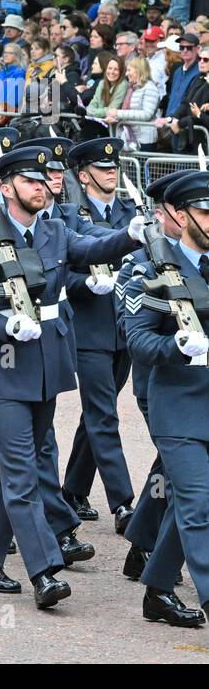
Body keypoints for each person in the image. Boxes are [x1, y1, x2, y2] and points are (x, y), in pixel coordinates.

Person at [0, 145, 142, 606]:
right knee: (23, 473)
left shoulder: (56, 230)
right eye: (31, 180)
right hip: (3, 372)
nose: (42, 187)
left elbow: (92, 248)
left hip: (46, 369)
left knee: (10, 471)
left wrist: (132, 236)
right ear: (7, 187)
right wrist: (3, 325)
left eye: (46, 180)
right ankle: (44, 571)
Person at [124, 170, 209, 626]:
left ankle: (157, 589)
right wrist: (175, 347)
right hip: (177, 406)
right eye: (204, 211)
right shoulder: (149, 269)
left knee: (185, 504)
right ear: (178, 214)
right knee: (200, 504)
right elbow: (137, 339)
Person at [59, 138, 138, 528]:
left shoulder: (130, 211)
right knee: (104, 414)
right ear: (83, 174)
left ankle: (73, 489)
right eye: (102, 167)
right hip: (88, 329)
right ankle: (123, 503)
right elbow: (58, 273)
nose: (112, 171)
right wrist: (83, 286)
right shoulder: (69, 216)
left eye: (114, 166)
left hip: (124, 327)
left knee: (95, 414)